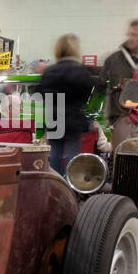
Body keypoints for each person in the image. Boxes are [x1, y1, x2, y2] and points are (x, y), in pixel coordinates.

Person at [34, 34, 96, 175]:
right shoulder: (82, 71)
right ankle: (71, 182)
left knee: (54, 154)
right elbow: (87, 94)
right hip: (74, 118)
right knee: (73, 155)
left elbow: (40, 94)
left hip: (55, 118)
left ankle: (55, 182)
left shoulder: (50, 71)